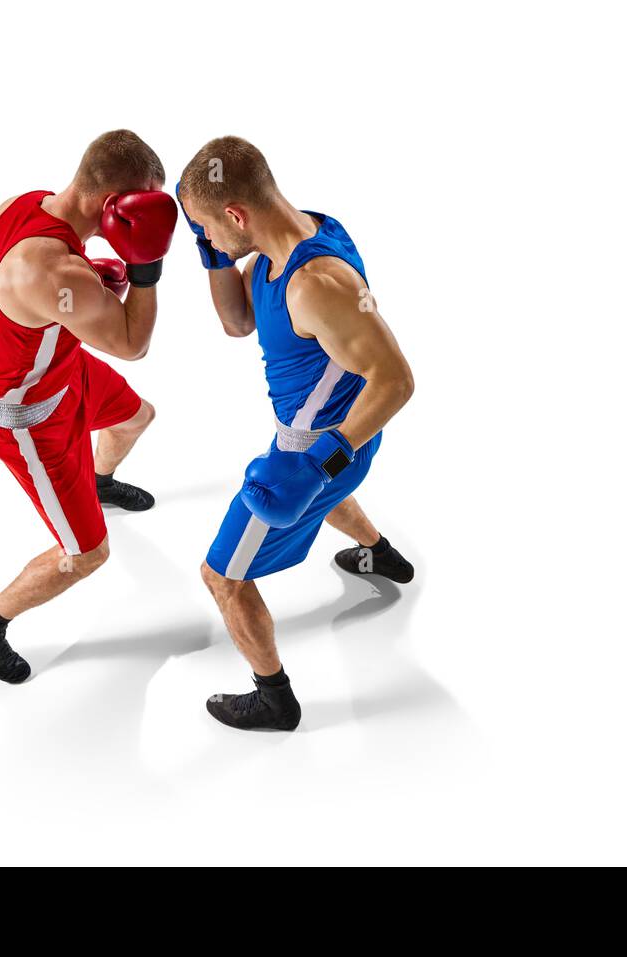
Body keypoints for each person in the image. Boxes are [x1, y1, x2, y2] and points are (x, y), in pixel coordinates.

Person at [177, 136, 416, 731]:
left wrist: (317, 465)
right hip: (334, 441)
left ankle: (274, 698)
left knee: (222, 576)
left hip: (319, 447)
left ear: (236, 213)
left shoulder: (315, 283)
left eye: (208, 227)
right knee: (326, 500)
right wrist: (212, 255)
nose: (206, 237)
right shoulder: (284, 244)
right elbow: (237, 323)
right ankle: (382, 555)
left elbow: (396, 380)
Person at [0, 130, 177, 683]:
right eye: (140, 208)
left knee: (136, 416)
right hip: (26, 419)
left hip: (61, 369)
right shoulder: (58, 273)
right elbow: (133, 344)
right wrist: (146, 269)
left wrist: (88, 286)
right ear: (112, 207)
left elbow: (17, 288)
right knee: (87, 553)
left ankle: (98, 481)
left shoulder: (24, 204)